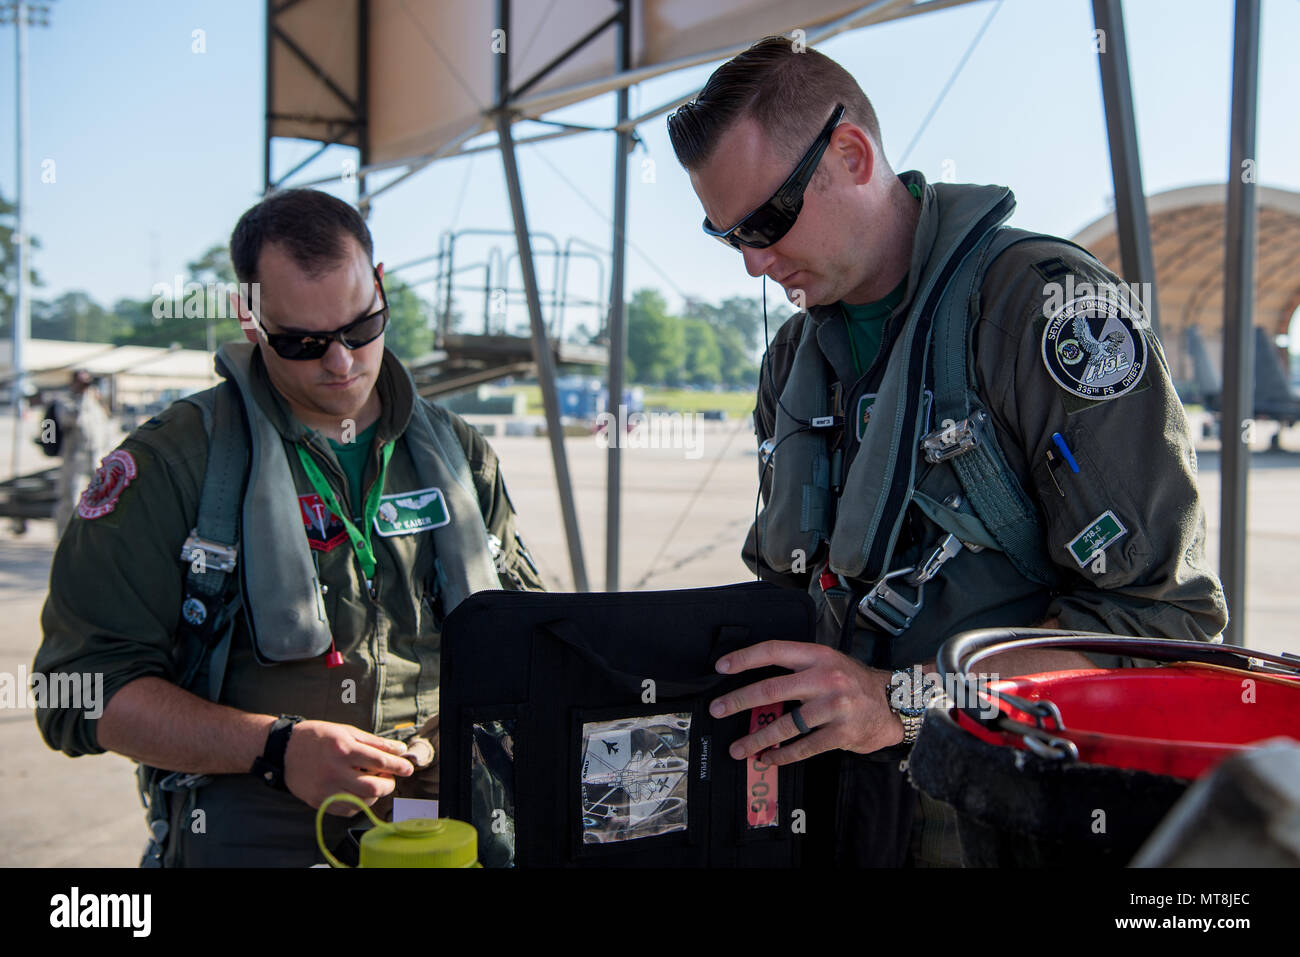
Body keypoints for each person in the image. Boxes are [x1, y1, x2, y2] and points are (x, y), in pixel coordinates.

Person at [667, 37, 1227, 866]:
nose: (754, 262)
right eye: (729, 237)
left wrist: (902, 697)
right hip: (843, 805)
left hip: (1004, 810)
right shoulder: (793, 363)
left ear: (852, 155)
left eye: (767, 221)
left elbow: (1162, 628)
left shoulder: (1045, 313)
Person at [33, 189, 545, 866]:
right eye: (304, 343)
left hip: (443, 828)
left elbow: (532, 637)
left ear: (381, 285)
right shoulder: (176, 465)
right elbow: (76, 690)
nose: (342, 363)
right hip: (261, 829)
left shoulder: (459, 456)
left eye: (361, 328)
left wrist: (467, 728)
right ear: (250, 319)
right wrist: (275, 747)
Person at [51, 369, 113, 537]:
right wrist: (84, 398)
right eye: (81, 381)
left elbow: (105, 428)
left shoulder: (97, 402)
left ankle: (89, 536)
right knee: (71, 498)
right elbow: (72, 421)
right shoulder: (65, 401)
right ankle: (65, 536)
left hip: (97, 457)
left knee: (100, 499)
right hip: (75, 457)